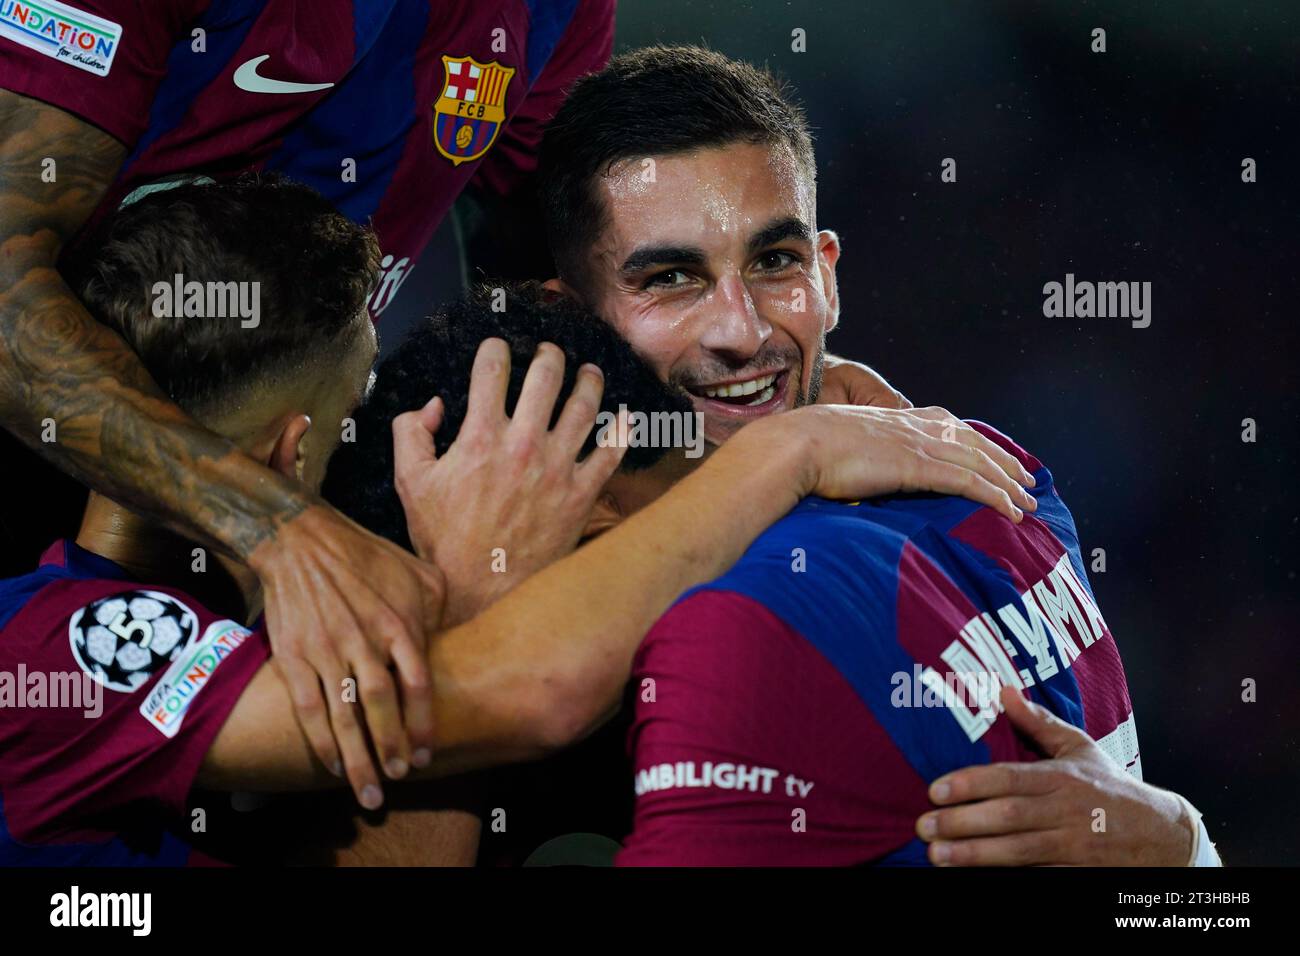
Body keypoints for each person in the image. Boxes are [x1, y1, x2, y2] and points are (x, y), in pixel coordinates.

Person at [0, 2, 908, 806]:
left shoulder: (555, 13)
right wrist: (277, 526)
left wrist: (749, 380)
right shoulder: (49, 652)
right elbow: (515, 698)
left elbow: (567, 298)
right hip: (143, 492)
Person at [0, 179, 1015, 864]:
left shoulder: (278, 612)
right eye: (356, 417)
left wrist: (1178, 859)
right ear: (281, 454)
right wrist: (781, 454)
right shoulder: (62, 649)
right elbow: (506, 698)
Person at [530, 45, 1219, 866]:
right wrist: (1190, 850)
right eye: (674, 277)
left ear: (827, 276)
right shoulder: (996, 465)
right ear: (570, 318)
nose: (742, 332)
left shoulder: (737, 624)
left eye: (774, 262)